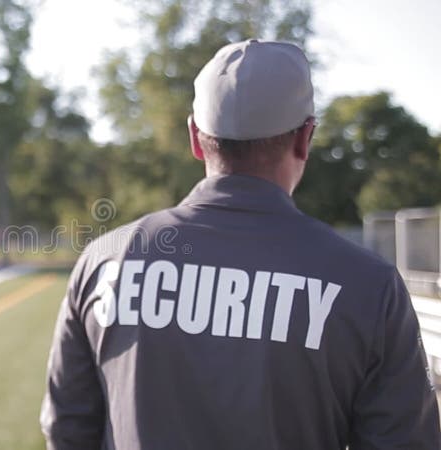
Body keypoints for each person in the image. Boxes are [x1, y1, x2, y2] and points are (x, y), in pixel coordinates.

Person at [40, 39, 440, 450]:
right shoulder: (369, 285)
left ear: (195, 137)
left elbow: (68, 430)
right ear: (305, 137)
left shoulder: (105, 261)